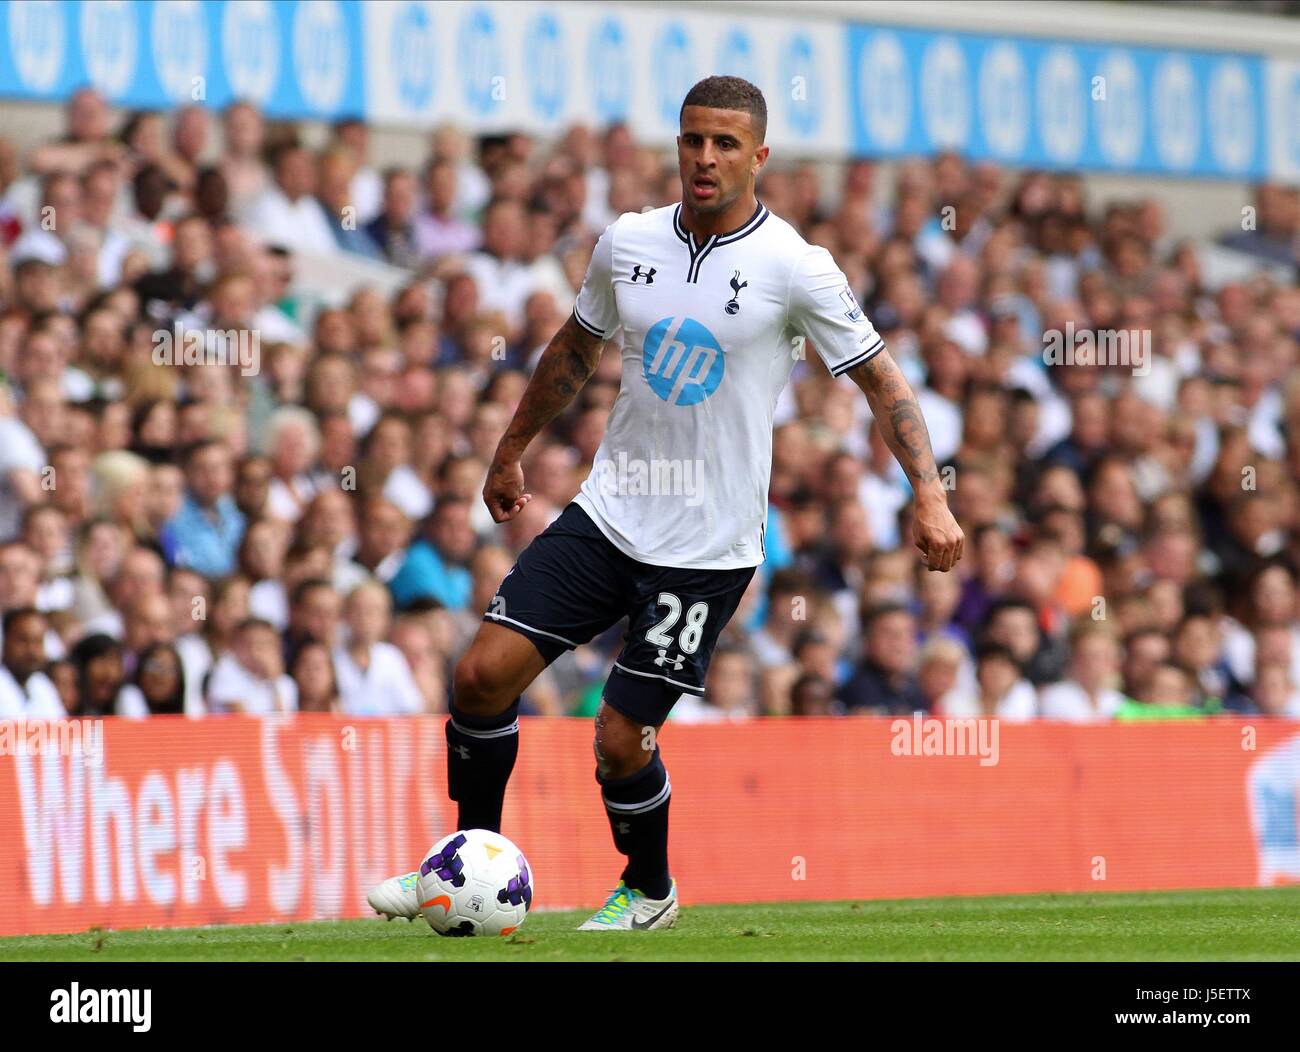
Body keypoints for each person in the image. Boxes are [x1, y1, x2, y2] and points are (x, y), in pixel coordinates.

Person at [366, 76, 963, 931]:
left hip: (707, 546)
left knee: (617, 739)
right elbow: (575, 347)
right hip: (611, 513)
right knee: (480, 674)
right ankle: (468, 864)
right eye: (692, 141)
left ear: (759, 156)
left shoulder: (795, 268)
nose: (705, 158)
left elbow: (879, 376)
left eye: (725, 144)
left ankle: (649, 888)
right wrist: (510, 450)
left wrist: (931, 496)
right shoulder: (628, 241)